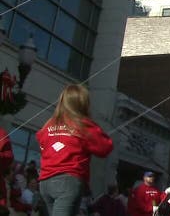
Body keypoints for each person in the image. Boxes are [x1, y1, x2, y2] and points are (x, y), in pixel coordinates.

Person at [36, 84, 114, 216]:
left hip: (45, 182)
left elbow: (41, 143)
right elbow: (105, 147)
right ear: (83, 103)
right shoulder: (82, 124)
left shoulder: (50, 124)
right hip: (67, 181)